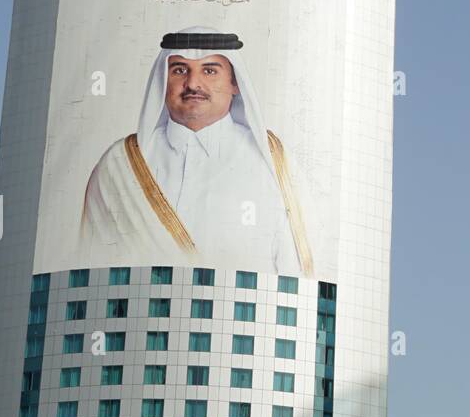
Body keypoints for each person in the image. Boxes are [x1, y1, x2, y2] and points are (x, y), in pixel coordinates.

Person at [80, 26, 313, 274]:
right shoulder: (119, 165)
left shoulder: (273, 163)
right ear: (163, 81)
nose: (192, 83)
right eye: (179, 70)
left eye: (210, 71)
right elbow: (91, 264)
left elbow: (294, 274)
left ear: (235, 83)